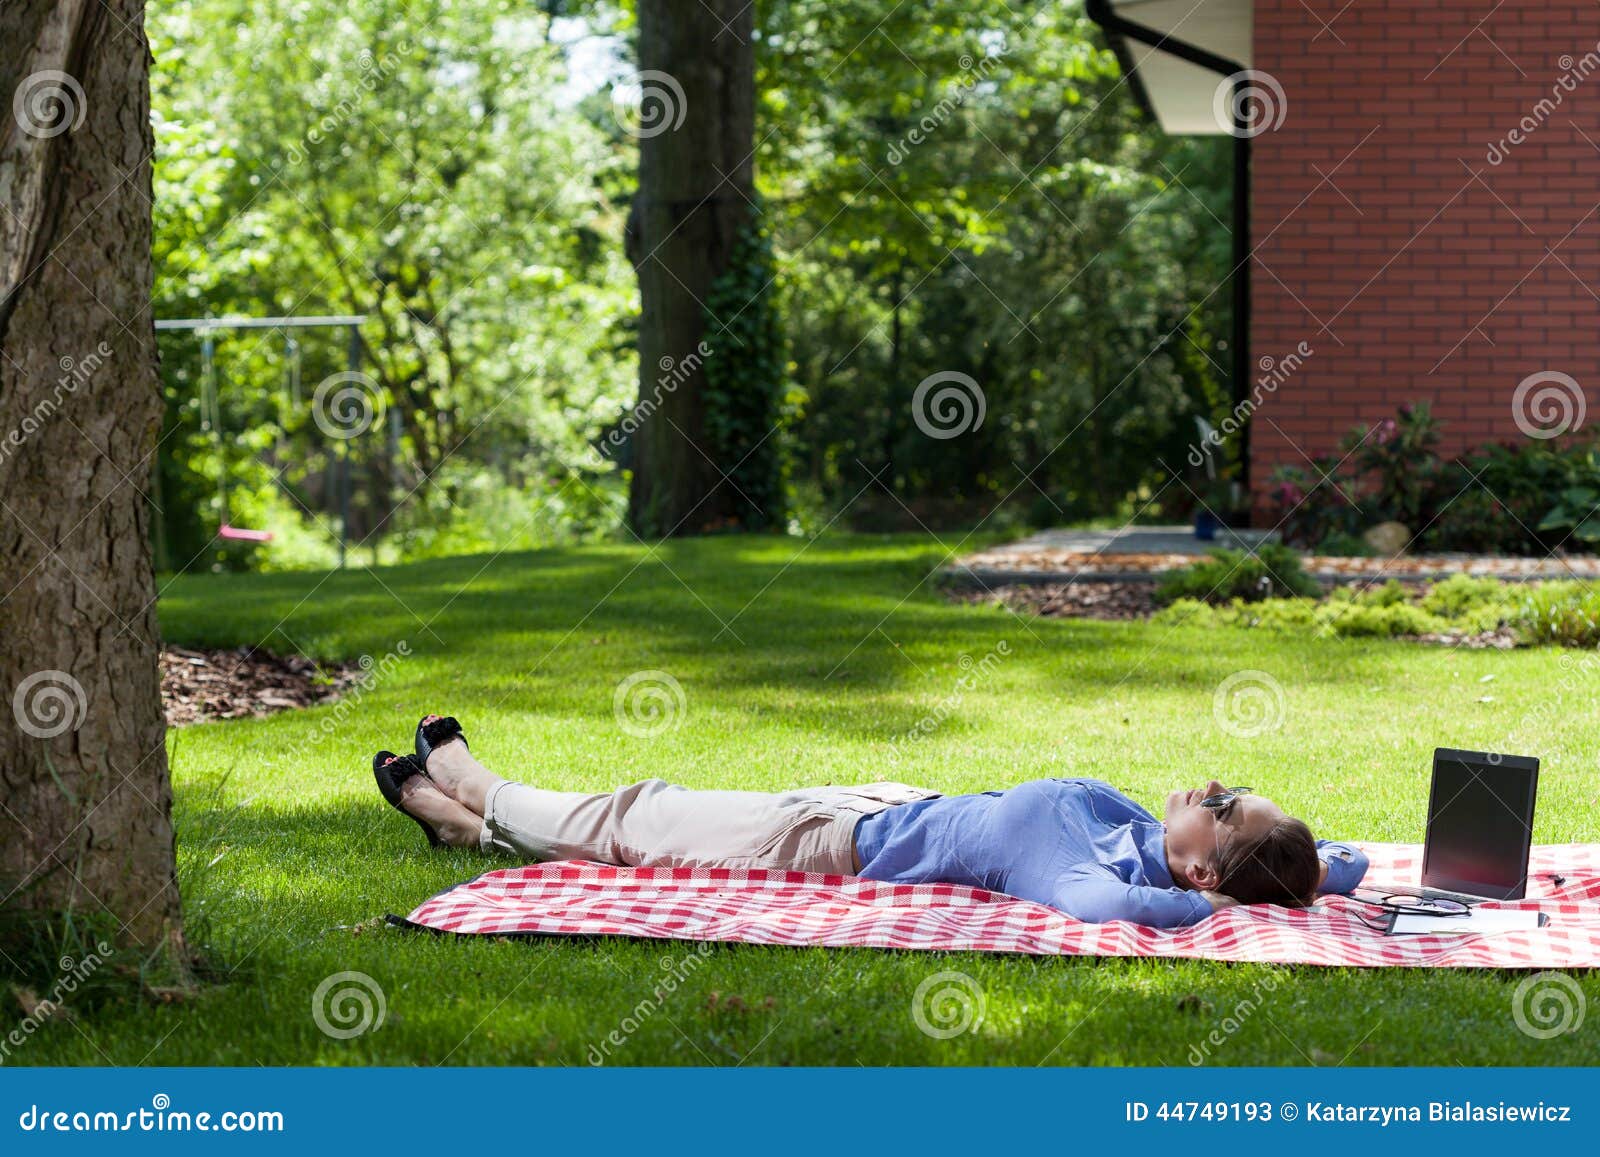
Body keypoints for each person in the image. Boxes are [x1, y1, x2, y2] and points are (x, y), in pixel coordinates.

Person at [373, 715, 1369, 929]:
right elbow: (1340, 863)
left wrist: (1216, 911)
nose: (1214, 785)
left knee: (645, 816)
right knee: (655, 812)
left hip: (821, 847)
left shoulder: (1084, 876)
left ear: (1202, 872)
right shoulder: (1136, 832)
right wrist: (1313, 871)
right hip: (882, 804)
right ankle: (464, 829)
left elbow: (1111, 910)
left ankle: (479, 787)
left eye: (1225, 806)